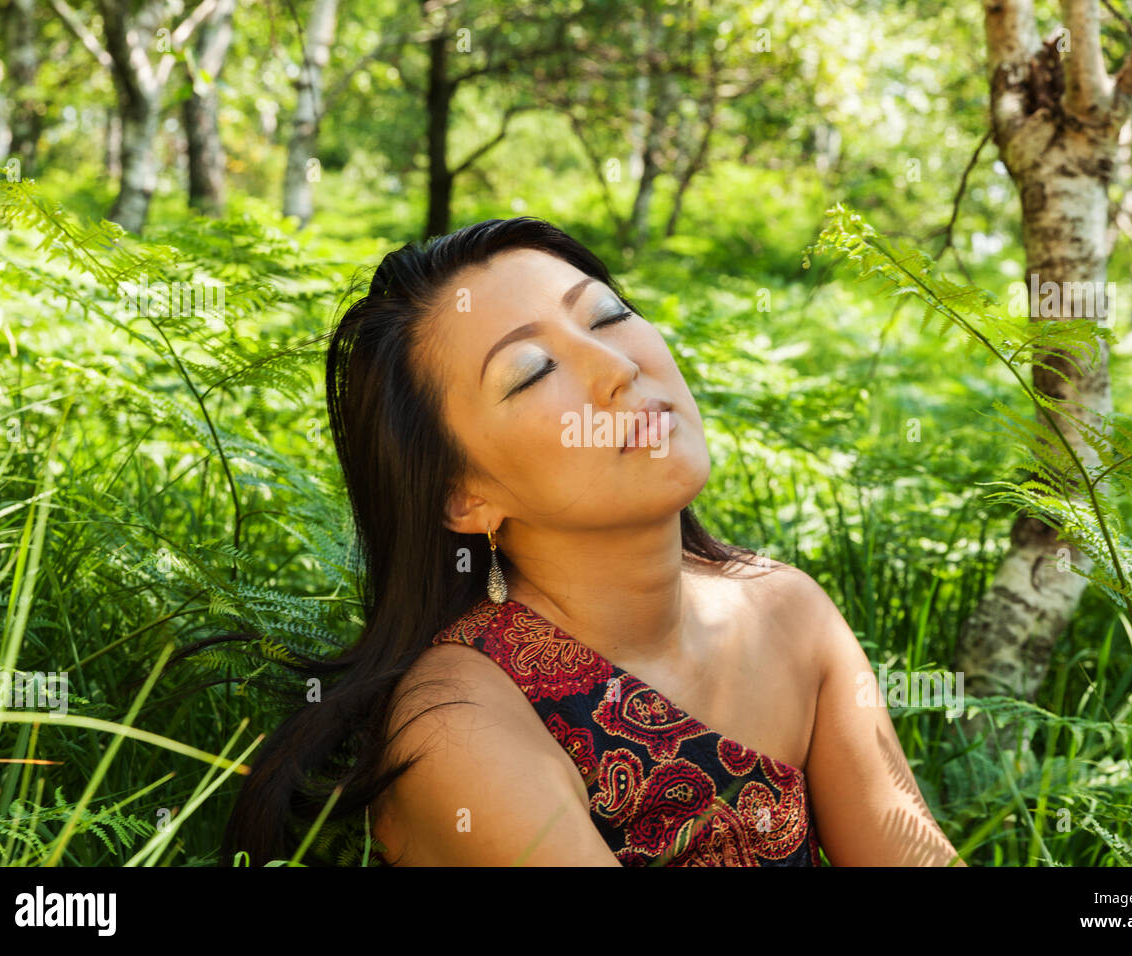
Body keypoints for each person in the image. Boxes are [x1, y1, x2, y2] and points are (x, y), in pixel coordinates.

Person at [221, 217, 966, 867]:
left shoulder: (788, 613)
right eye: (533, 370)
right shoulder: (460, 723)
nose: (617, 368)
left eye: (607, 316)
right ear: (462, 494)